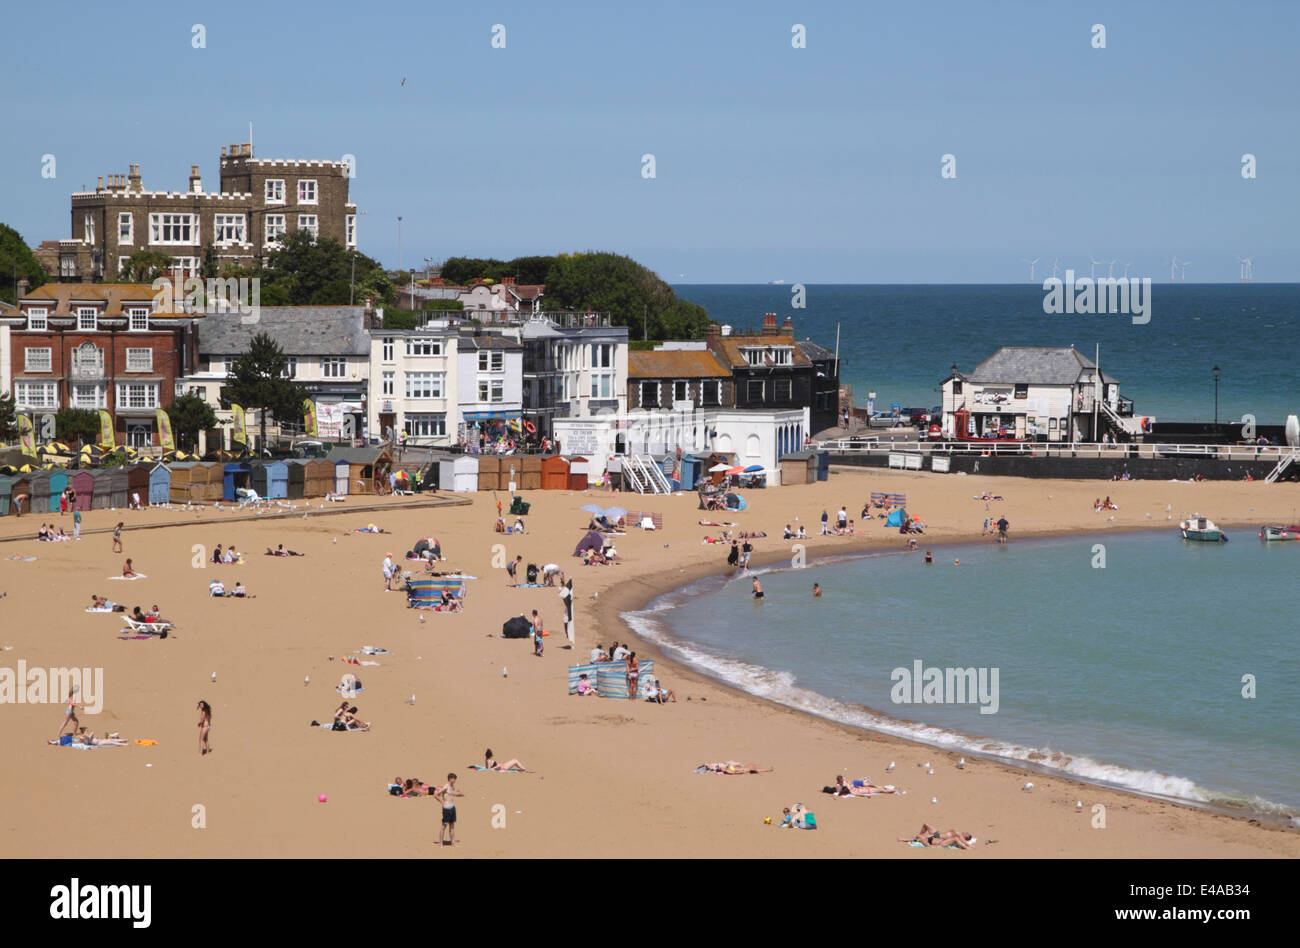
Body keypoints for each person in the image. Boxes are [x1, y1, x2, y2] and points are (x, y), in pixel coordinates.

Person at [897, 823, 976, 849]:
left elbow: (962, 841)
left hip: (935, 840)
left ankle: (904, 839)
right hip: (937, 834)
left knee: (919, 837)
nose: (965, 832)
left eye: (966, 833)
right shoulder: (955, 833)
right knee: (926, 825)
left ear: (966, 837)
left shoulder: (959, 836)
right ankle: (916, 837)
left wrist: (968, 845)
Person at [436, 774, 463, 846]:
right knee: (444, 826)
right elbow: (436, 794)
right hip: (446, 808)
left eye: (455, 779)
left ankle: (453, 843)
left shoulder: (451, 786)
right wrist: (442, 802)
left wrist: (459, 793)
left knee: (452, 825)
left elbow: (453, 793)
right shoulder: (446, 786)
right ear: (450, 779)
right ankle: (441, 843)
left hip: (452, 807)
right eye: (453, 779)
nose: (454, 780)